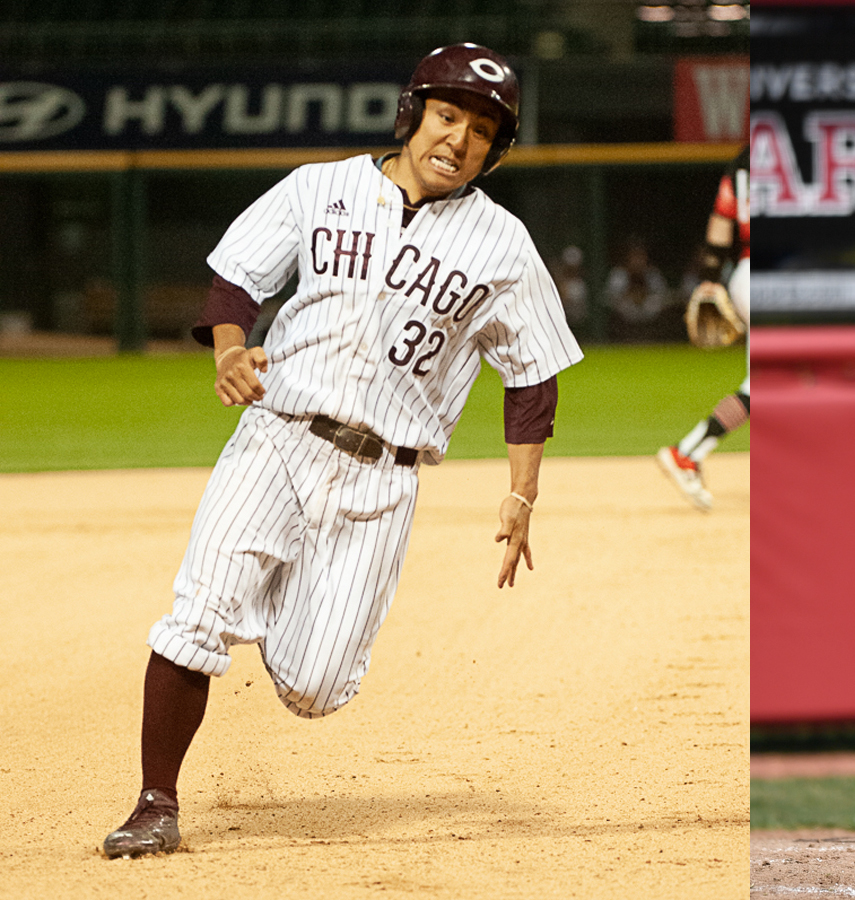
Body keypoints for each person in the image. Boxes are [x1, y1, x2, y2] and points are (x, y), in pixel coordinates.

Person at [100, 43, 583, 859]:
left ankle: (267, 613)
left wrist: (521, 493)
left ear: (495, 151)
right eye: (448, 115)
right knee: (196, 617)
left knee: (317, 687)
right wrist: (228, 349)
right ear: (413, 114)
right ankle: (155, 802)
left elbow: (532, 376)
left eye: (480, 129)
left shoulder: (503, 244)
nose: (458, 139)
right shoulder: (320, 187)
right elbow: (235, 279)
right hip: (277, 438)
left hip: (383, 482)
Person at [657, 146, 750, 512]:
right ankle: (687, 451)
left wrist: (711, 278)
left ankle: (689, 452)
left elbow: (722, 221)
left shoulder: (743, 157)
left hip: (744, 272)